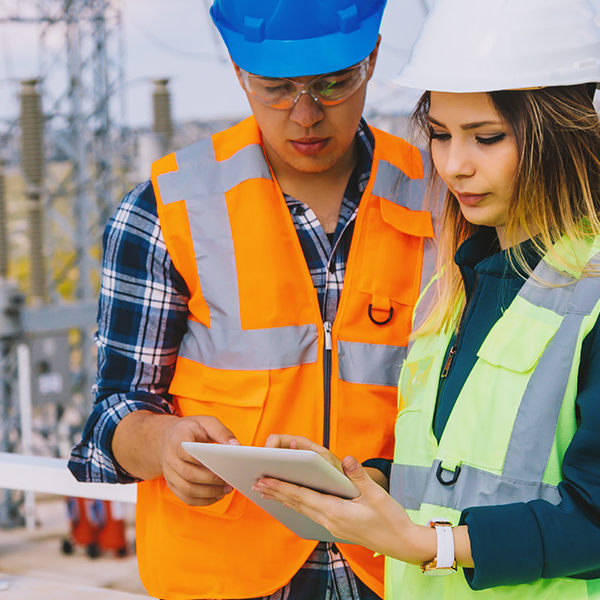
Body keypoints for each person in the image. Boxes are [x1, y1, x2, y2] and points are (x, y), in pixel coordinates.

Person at [67, 1, 434, 599]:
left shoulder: (442, 200)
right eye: (277, 88)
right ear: (239, 71)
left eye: (332, 84)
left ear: (371, 59)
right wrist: (165, 446)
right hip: (231, 577)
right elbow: (116, 408)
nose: (306, 114)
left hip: (399, 567)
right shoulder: (165, 210)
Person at [251, 0, 600, 597]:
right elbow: (456, 480)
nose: (454, 165)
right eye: (439, 135)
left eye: (486, 138)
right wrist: (355, 483)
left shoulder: (589, 294)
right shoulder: (451, 289)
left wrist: (426, 544)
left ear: (562, 133)